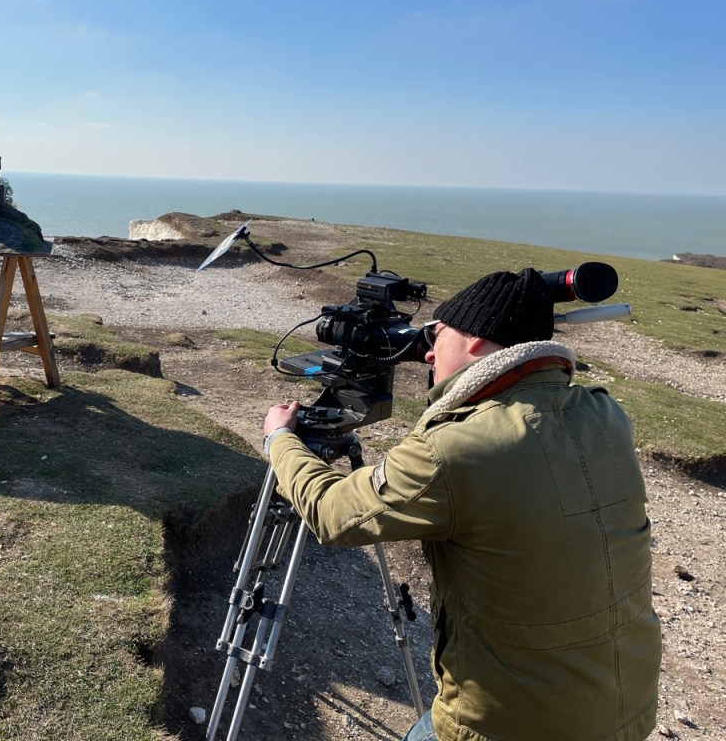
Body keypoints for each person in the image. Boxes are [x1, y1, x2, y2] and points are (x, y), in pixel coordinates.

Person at [263, 268, 661, 741]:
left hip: (509, 724)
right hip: (623, 710)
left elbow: (333, 514)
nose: (428, 352)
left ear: (474, 343)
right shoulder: (604, 414)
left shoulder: (455, 449)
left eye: (439, 336)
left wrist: (281, 440)